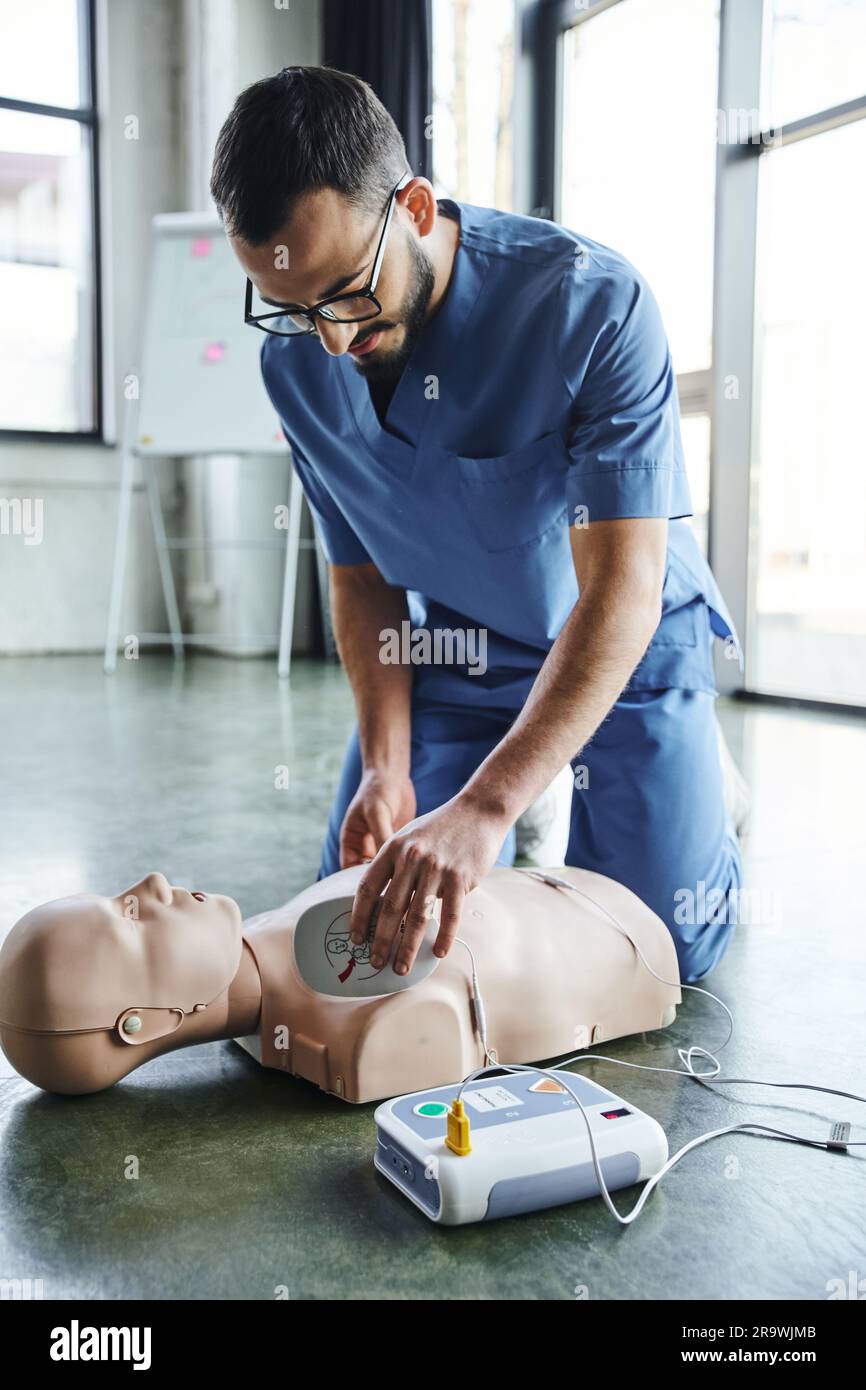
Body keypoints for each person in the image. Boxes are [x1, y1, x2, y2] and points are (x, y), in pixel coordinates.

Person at [210, 66, 743, 987]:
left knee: (659, 949)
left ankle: (693, 792)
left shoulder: (593, 305)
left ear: (413, 206)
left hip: (627, 650)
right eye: (293, 310)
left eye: (345, 292)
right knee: (363, 919)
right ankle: (520, 784)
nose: (330, 340)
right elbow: (361, 579)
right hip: (462, 651)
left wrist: (486, 807)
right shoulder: (293, 365)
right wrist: (386, 768)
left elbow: (623, 589)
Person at [0, 868, 679, 1101]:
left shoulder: (280, 930)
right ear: (139, 1022)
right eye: (127, 915)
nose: (149, 883)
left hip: (594, 905)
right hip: (624, 939)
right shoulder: (360, 1033)